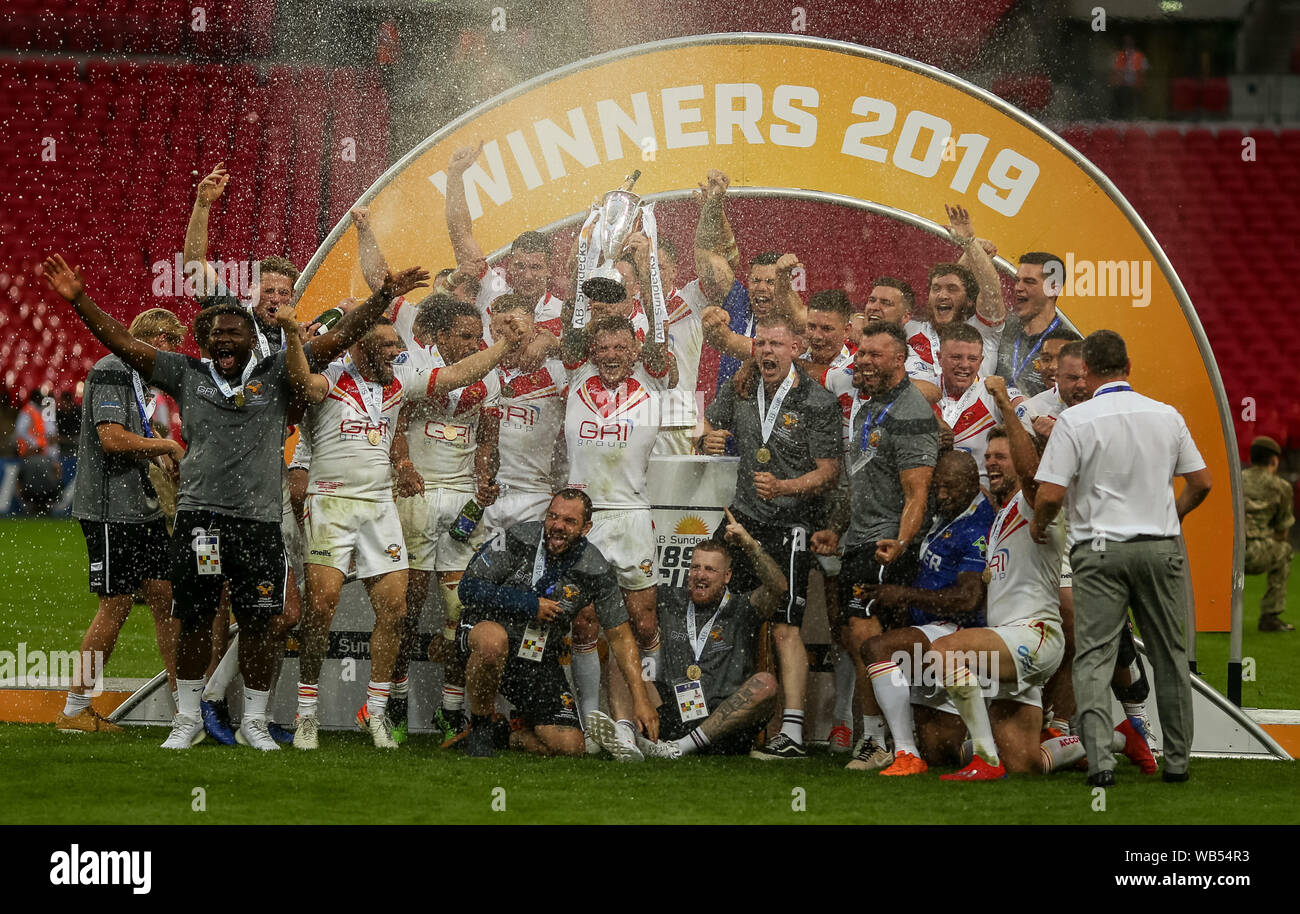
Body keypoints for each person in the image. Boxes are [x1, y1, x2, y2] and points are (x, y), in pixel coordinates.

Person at [45, 250, 430, 750]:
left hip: (258, 521)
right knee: (197, 619)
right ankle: (188, 718)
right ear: (202, 341)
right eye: (216, 335)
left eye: (234, 333)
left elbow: (341, 335)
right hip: (201, 519)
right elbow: (122, 342)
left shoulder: (274, 372)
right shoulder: (186, 373)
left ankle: (254, 719)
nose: (225, 340)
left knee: (262, 622)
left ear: (252, 338)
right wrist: (80, 302)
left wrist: (383, 295)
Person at [1033, 329, 1212, 785]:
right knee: (1170, 655)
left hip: (1098, 551)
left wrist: (1038, 525)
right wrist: (1169, 516)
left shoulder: (1076, 420)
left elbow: (1050, 494)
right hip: (1158, 546)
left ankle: (1101, 764)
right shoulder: (1166, 415)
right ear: (1129, 367)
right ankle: (1177, 761)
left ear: (1087, 371)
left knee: (1093, 656)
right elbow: (1202, 483)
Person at [702, 313, 842, 759]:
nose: (766, 352)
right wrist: (707, 439)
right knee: (732, 615)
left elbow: (829, 472)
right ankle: (724, 716)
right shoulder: (742, 386)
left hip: (791, 525)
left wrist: (784, 487)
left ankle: (794, 734)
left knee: (785, 627)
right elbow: (707, 425)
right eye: (760, 343)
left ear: (795, 349)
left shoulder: (817, 401)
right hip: (744, 519)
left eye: (776, 345)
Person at [388, 297, 522, 746]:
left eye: (476, 335)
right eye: (464, 336)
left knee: (459, 612)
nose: (472, 343)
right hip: (417, 497)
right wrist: (404, 466)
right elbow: (396, 427)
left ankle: (450, 711)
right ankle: (397, 701)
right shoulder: (417, 366)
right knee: (405, 610)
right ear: (441, 336)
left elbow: (487, 442)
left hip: (462, 502)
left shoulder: (490, 379)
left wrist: (485, 480)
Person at [559, 259, 675, 757]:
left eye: (619, 347)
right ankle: (593, 725)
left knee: (642, 625)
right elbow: (571, 333)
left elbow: (658, 339)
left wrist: (645, 266)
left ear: (633, 349)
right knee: (584, 622)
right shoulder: (576, 374)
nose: (609, 355)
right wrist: (583, 260)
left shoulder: (652, 382)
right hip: (585, 519)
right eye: (602, 347)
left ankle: (639, 725)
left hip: (630, 517)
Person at [53, 307, 188, 734]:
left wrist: (158, 451)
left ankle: (184, 708)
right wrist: (164, 445)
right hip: (110, 510)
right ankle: (75, 710)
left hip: (138, 511)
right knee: (116, 605)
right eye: (172, 343)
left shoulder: (138, 379)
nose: (174, 353)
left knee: (166, 598)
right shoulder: (112, 369)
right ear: (155, 338)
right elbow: (110, 439)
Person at [811, 321, 938, 770]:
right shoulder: (868, 405)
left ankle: (881, 740)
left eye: (873, 355)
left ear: (899, 361)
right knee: (854, 635)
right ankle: (884, 735)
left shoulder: (912, 410)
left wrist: (901, 543)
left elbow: (917, 492)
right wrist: (836, 527)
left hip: (884, 544)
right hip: (858, 540)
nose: (861, 361)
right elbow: (858, 478)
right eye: (860, 354)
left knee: (868, 638)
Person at [456, 489, 657, 757]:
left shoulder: (595, 569)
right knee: (494, 642)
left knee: (571, 747)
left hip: (536, 656)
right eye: (553, 516)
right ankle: (480, 727)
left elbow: (621, 638)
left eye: (569, 521)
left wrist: (641, 700)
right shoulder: (515, 538)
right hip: (484, 635)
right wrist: (528, 604)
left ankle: (504, 734)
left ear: (586, 528)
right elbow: (467, 589)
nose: (558, 526)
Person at [930, 393, 1067, 779]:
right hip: (1008, 640)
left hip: (1032, 635)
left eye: (1000, 457)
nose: (990, 463)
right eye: (987, 457)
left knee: (943, 653)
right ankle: (1103, 741)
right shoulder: (1002, 511)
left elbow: (1031, 474)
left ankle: (984, 760)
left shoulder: (1036, 502)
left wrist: (1006, 404)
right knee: (1024, 764)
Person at [608, 509, 787, 759]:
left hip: (723, 722)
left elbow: (779, 588)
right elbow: (630, 598)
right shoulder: (670, 599)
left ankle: (680, 748)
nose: (700, 575)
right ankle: (625, 736)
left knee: (766, 684)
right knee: (622, 655)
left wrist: (750, 545)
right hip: (673, 711)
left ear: (727, 576)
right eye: (695, 567)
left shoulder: (742, 606)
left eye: (710, 570)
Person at [858, 450, 994, 775]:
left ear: (973, 484)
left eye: (950, 488)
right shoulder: (951, 511)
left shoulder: (978, 524)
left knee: (876, 648)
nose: (942, 495)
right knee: (940, 751)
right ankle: (991, 747)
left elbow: (969, 598)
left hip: (957, 631)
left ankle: (905, 753)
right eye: (939, 487)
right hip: (930, 627)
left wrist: (905, 594)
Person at [444, 142, 565, 337]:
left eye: (535, 267)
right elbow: (461, 235)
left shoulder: (563, 314)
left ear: (549, 269)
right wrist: (454, 176)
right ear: (508, 266)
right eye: (520, 266)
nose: (526, 276)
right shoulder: (492, 291)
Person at [185, 162, 301, 361]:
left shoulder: (299, 336)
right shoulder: (232, 312)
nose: (275, 299)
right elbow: (195, 264)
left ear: (292, 296)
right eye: (268, 291)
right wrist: (202, 205)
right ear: (252, 288)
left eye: (283, 293)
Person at [905, 205, 1006, 378]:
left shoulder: (982, 332)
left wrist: (969, 243)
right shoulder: (908, 329)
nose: (942, 295)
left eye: (951, 289)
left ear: (968, 300)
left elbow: (991, 291)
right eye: (935, 288)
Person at [936, 322, 1024, 488]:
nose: (964, 365)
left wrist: (1033, 415)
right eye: (956, 357)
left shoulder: (992, 391)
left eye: (973, 359)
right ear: (939, 358)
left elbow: (1025, 409)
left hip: (980, 503)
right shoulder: (927, 391)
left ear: (981, 360)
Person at [996, 253, 1081, 398]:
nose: (1018, 287)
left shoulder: (1070, 344)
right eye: (1017, 280)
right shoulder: (1003, 326)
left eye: (1029, 282)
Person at [1242, 435, 1295, 631]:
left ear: (1251, 457)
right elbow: (1282, 530)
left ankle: (1218, 616)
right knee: (1286, 550)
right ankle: (1270, 616)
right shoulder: (1281, 487)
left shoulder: (1236, 479)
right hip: (1256, 552)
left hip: (1227, 553)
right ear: (1274, 460)